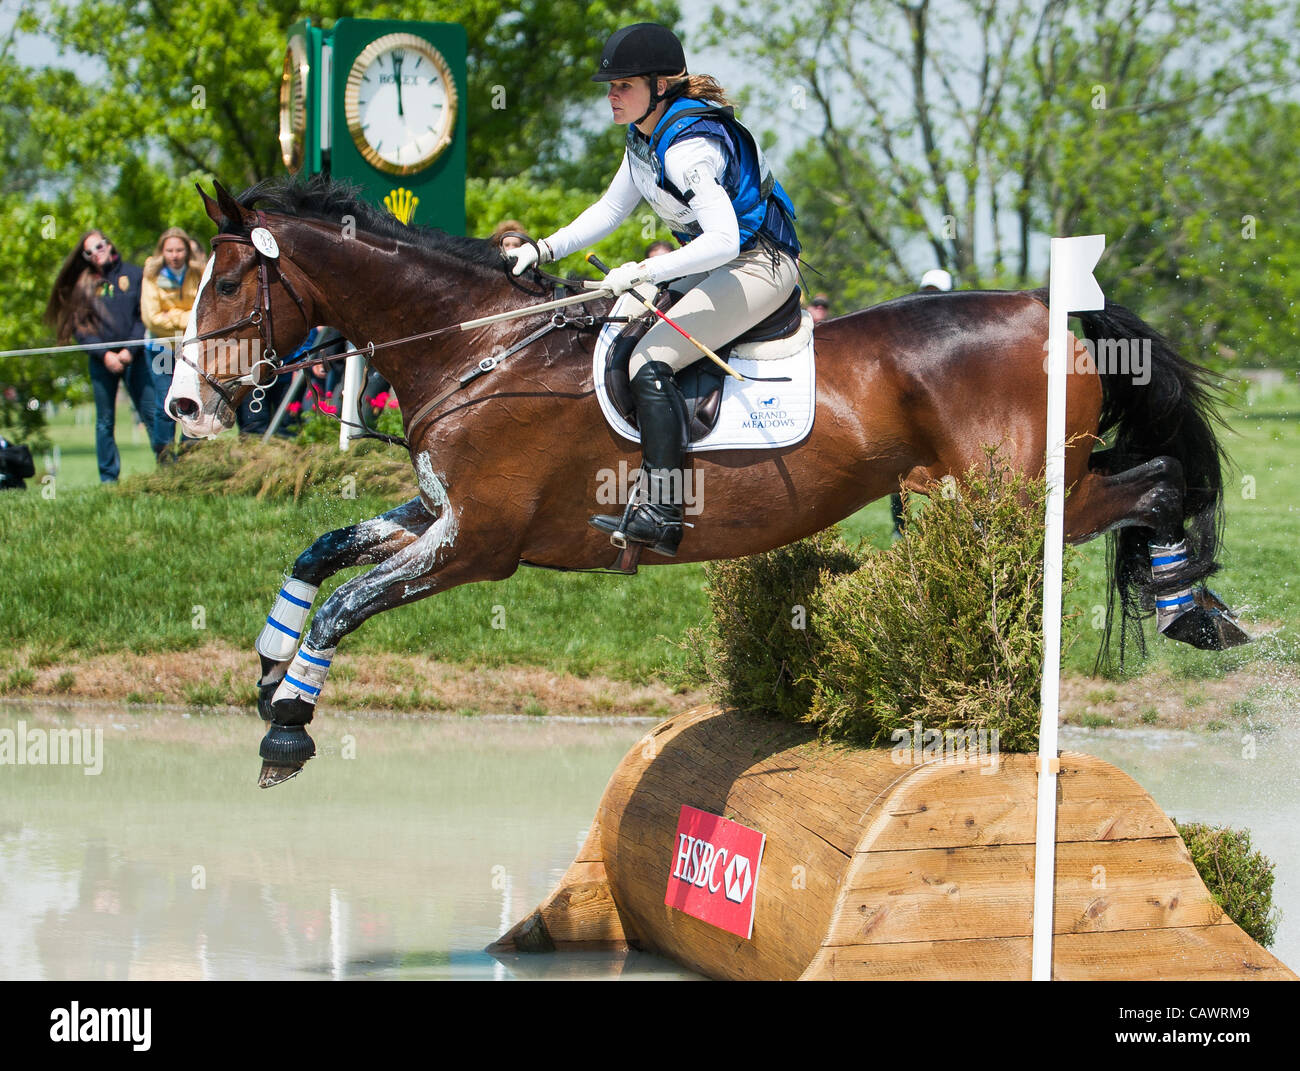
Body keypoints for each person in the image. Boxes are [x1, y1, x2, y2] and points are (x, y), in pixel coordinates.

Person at [505, 22, 801, 557]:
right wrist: (544, 249)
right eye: (611, 87)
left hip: (760, 264)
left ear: (659, 86)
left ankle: (663, 512)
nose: (612, 96)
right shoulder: (645, 138)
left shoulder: (688, 147)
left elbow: (725, 240)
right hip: (718, 262)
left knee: (649, 359)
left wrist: (645, 270)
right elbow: (610, 211)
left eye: (624, 86)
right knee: (615, 324)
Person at [44, 230, 165, 483]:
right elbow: (80, 328)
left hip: (136, 358)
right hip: (102, 363)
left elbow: (141, 317)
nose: (96, 254)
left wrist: (128, 351)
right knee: (104, 422)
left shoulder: (133, 274)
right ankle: (109, 479)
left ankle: (168, 470)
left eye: (99, 247)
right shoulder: (83, 284)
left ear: (109, 244)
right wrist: (105, 354)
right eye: (89, 252)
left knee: (152, 414)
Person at [891, 267, 956, 536]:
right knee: (898, 472)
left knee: (950, 472)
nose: (930, 299)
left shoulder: (956, 328)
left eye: (935, 294)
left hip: (945, 414)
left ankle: (949, 528)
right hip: (912, 411)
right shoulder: (907, 325)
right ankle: (900, 525)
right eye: (927, 293)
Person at [141, 226, 206, 460]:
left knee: (193, 402)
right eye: (170, 250)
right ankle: (165, 457)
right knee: (164, 405)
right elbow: (152, 318)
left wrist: (173, 314)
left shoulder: (199, 272)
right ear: (162, 252)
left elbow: (205, 311)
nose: (175, 255)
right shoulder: (151, 275)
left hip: (192, 349)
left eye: (180, 249)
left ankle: (189, 457)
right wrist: (189, 315)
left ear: (187, 251)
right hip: (161, 348)